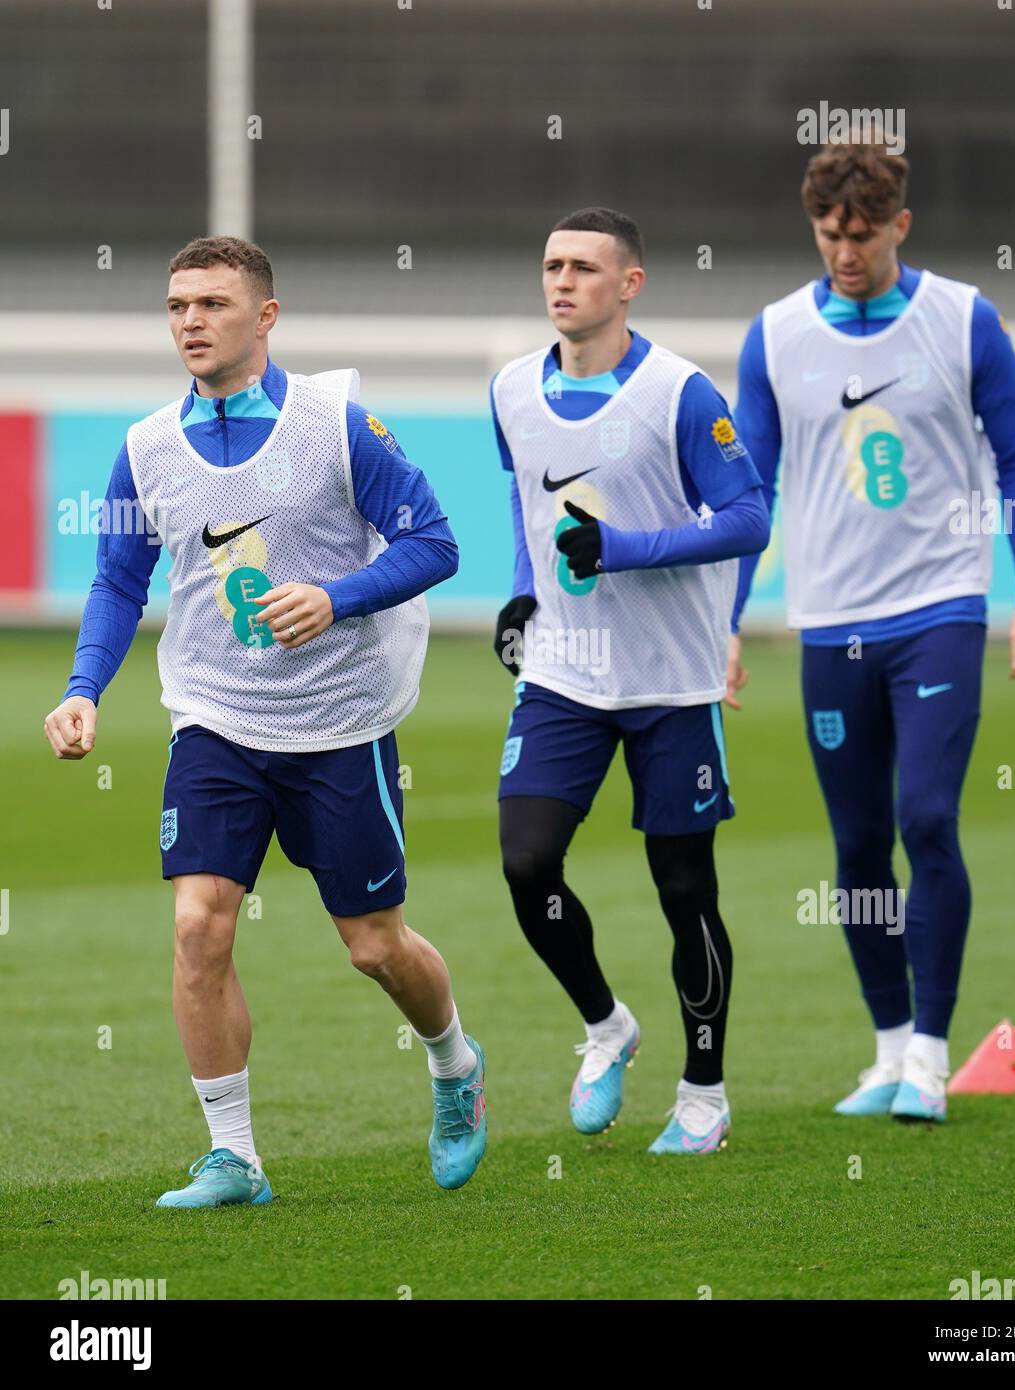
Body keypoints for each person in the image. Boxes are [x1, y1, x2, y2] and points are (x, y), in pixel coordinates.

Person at [42, 236, 487, 1202]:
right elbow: (119, 579)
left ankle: (454, 1063)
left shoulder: (338, 424)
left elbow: (436, 542)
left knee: (374, 945)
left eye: (210, 303)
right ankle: (233, 1155)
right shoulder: (145, 447)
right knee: (200, 925)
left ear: (266, 316)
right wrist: (84, 689)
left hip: (339, 721)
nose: (190, 322)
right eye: (175, 306)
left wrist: (338, 596)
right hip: (212, 718)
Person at [729, 145, 1015, 1122]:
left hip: (940, 608)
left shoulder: (963, 321)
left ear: (899, 227)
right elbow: (752, 494)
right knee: (860, 843)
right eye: (829, 235)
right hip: (830, 623)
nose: (844, 252)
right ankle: (885, 1046)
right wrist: (727, 619)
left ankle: (930, 1051)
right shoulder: (777, 335)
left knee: (925, 817)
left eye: (862, 236)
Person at [491, 207, 770, 1154]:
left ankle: (703, 1095)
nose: (560, 281)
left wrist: (627, 549)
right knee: (527, 863)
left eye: (581, 267)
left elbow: (747, 518)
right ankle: (606, 1023)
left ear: (630, 284)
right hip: (564, 674)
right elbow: (525, 497)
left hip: (671, 682)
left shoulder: (679, 392)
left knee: (682, 887)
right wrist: (524, 596)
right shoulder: (509, 390)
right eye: (550, 264)